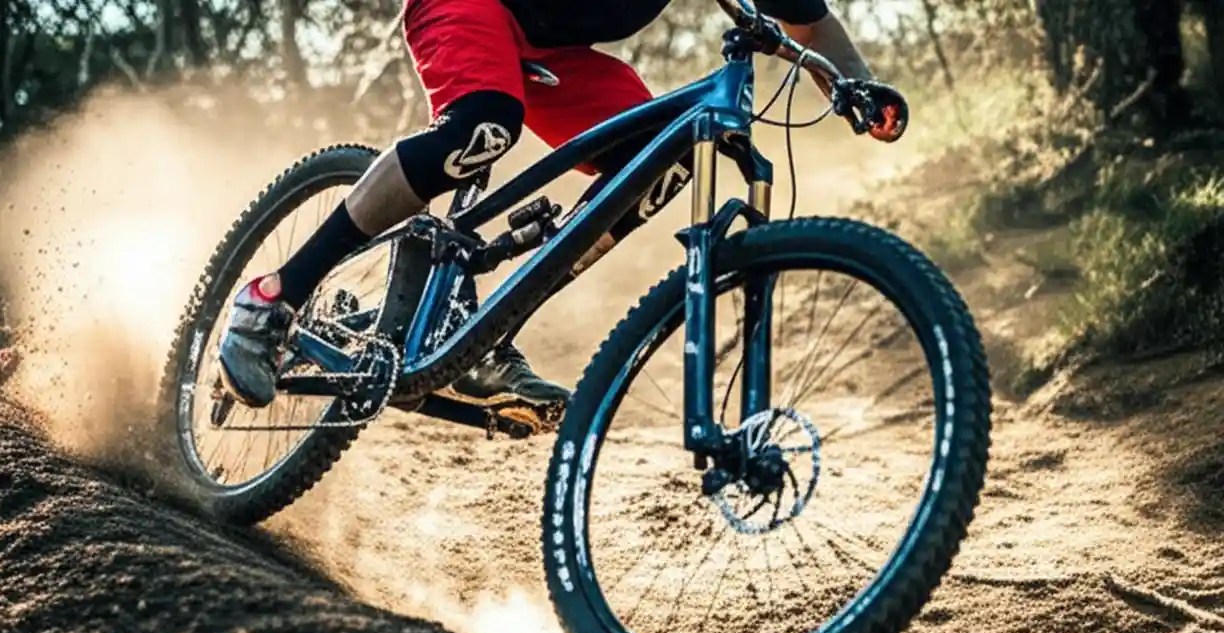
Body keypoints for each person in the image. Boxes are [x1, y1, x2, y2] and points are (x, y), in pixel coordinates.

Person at [217, 0, 905, 410]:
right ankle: (272, 299)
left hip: (554, 52)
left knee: (655, 161)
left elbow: (809, 28)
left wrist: (864, 90)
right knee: (482, 128)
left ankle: (480, 332)